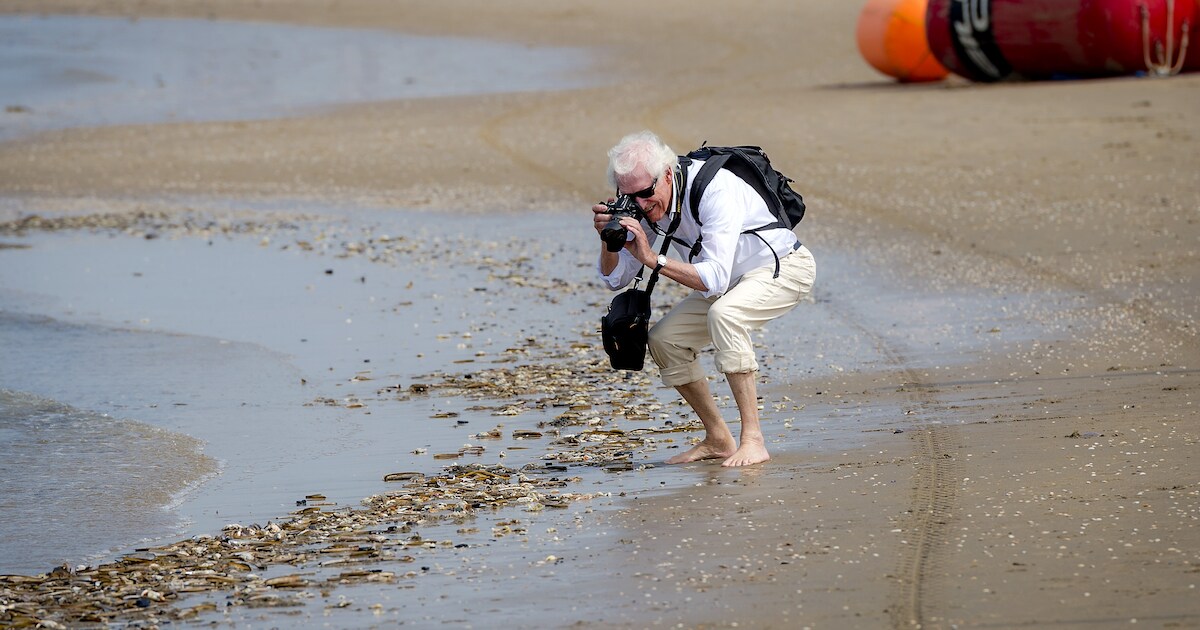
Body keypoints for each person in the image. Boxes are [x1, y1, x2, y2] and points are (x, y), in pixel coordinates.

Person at [592, 130, 816, 467]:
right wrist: (607, 240)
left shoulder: (715, 189)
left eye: (645, 193)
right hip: (729, 283)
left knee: (725, 315)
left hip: (782, 268)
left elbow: (712, 279)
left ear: (667, 174)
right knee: (666, 340)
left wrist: (652, 258)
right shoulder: (649, 201)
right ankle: (718, 438)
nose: (640, 203)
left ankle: (753, 440)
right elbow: (614, 278)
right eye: (629, 196)